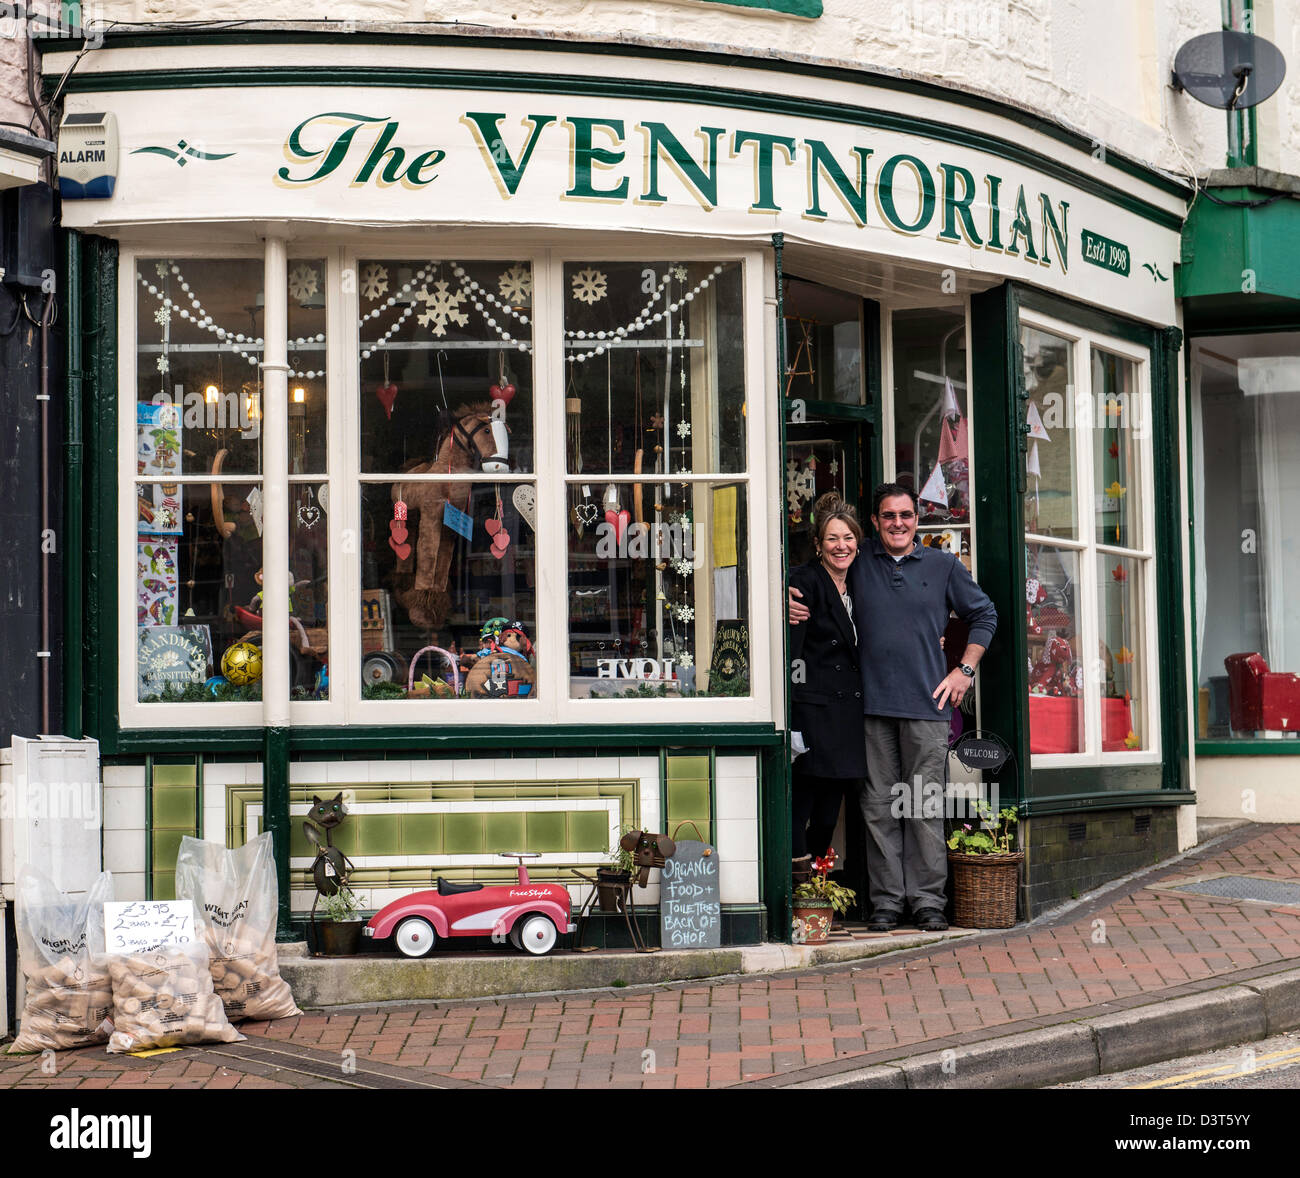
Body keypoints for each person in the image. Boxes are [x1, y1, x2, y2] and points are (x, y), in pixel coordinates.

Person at [790, 482, 997, 932]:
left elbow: (985, 614)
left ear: (917, 520)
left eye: (905, 515)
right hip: (869, 710)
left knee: (924, 806)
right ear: (876, 523)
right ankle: (886, 902)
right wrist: (788, 600)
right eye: (888, 516)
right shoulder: (860, 560)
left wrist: (964, 669)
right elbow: (821, 570)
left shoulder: (943, 566)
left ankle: (927, 902)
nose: (897, 523)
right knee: (879, 808)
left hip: (927, 707)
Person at [787, 494, 869, 881]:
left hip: (847, 717)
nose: (842, 546)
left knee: (827, 814)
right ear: (818, 545)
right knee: (801, 808)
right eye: (833, 539)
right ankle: (801, 892)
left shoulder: (861, 583)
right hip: (813, 712)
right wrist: (793, 715)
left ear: (858, 542)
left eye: (848, 538)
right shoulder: (803, 582)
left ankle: (816, 887)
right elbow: (792, 654)